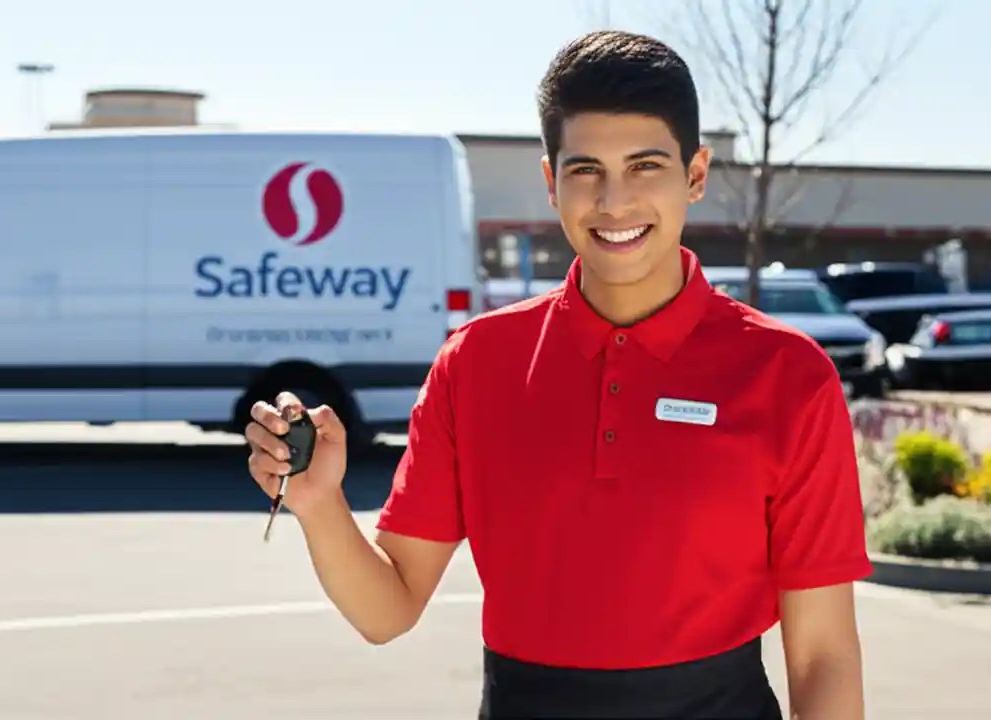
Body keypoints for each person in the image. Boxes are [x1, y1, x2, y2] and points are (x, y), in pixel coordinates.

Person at [245, 29, 871, 720]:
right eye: (586, 171)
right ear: (550, 181)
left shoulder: (787, 375)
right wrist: (317, 503)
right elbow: (386, 610)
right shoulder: (478, 364)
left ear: (695, 174)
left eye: (645, 166)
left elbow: (822, 655)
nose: (614, 201)